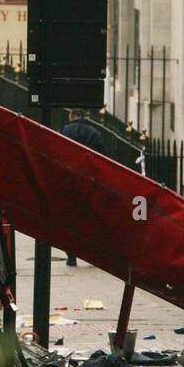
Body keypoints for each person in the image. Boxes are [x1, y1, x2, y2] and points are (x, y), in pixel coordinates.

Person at [60, 110, 108, 266]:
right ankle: (93, 253)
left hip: (69, 181)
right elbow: (102, 159)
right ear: (85, 117)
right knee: (90, 218)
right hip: (89, 181)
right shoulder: (95, 133)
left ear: (70, 116)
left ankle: (71, 255)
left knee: (70, 219)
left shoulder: (64, 131)